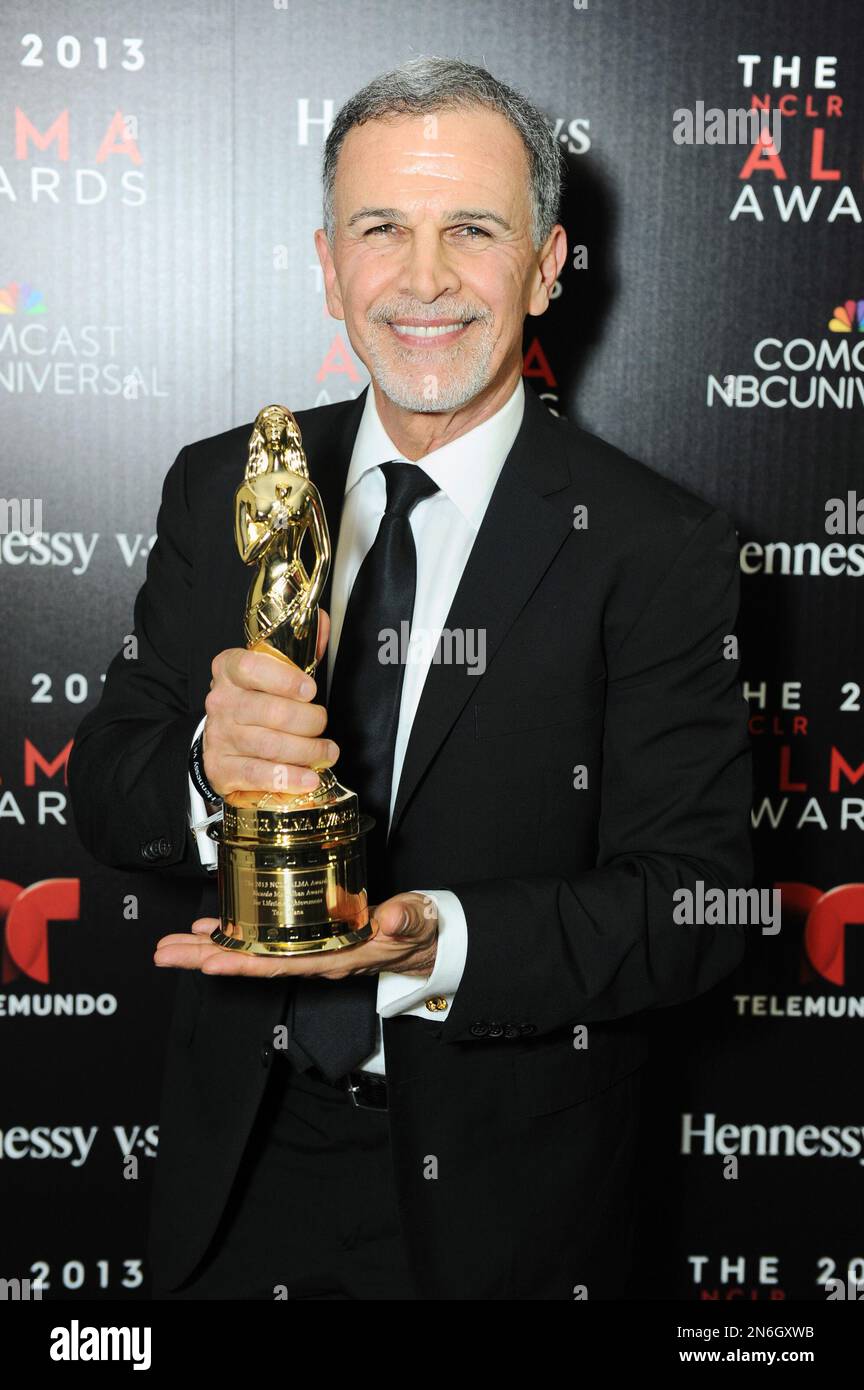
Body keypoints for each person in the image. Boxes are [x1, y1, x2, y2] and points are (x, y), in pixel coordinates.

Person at [67, 56, 753, 1301]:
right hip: (233, 1182)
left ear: (547, 267)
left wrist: (439, 942)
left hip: (513, 1215)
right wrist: (207, 778)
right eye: (382, 229)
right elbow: (107, 788)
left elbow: (691, 903)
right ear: (330, 264)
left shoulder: (656, 545)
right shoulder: (226, 484)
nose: (424, 280)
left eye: (473, 231)